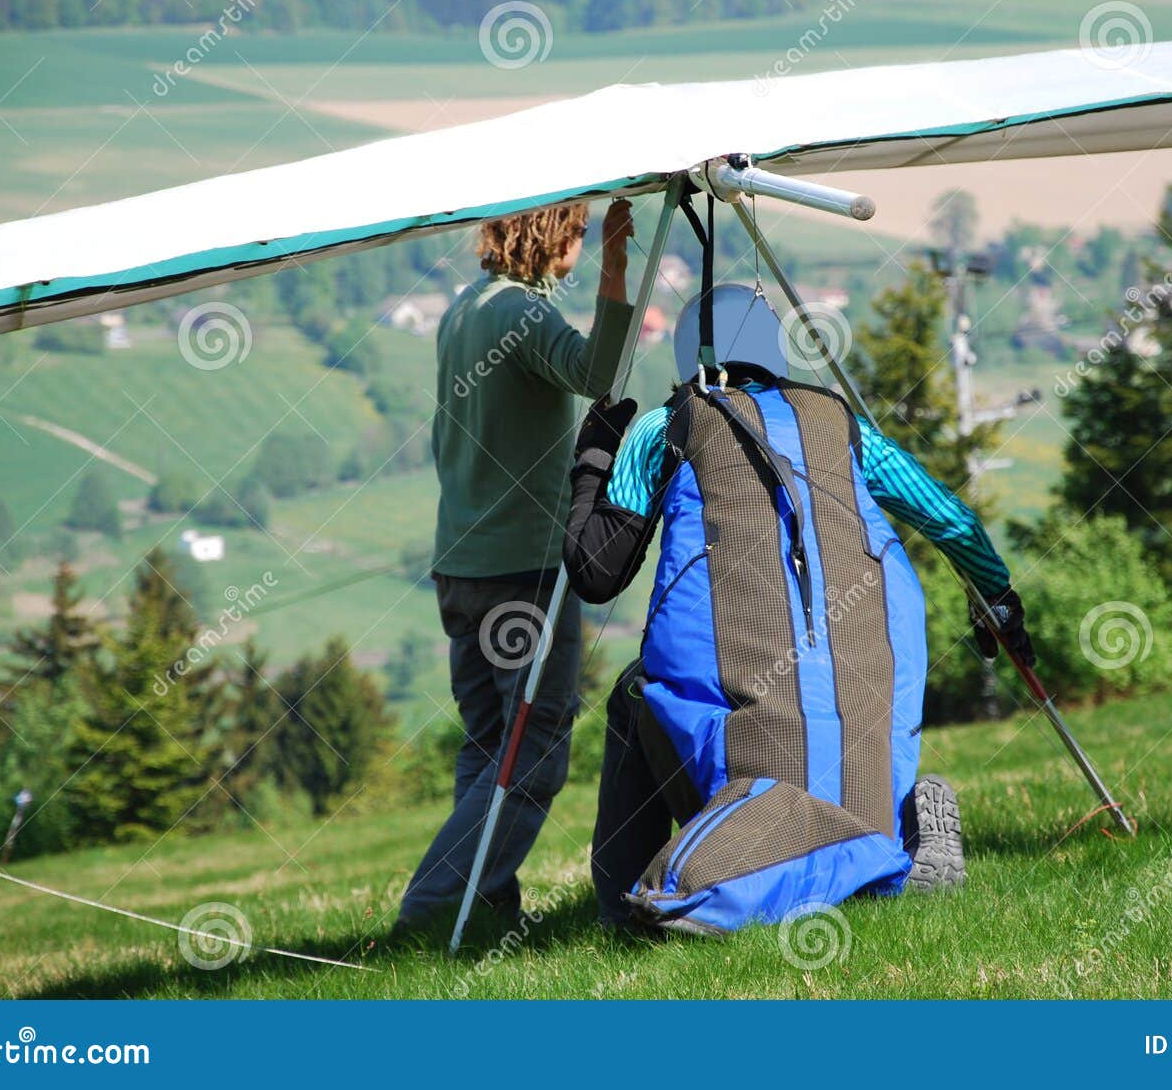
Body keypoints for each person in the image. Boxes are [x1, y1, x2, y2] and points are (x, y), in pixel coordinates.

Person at [562, 284, 1035, 934]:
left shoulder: (666, 424)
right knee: (831, 739)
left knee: (632, 694)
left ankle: (624, 906)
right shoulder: (840, 423)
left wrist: (591, 457)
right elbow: (950, 520)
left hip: (746, 724)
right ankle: (891, 834)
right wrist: (998, 602)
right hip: (864, 691)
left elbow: (595, 569)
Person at [395, 198, 634, 933]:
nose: (583, 246)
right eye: (580, 234)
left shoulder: (465, 308)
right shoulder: (521, 317)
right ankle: (434, 904)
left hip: (461, 564)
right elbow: (599, 373)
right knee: (533, 755)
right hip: (517, 577)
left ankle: (481, 906)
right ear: (554, 234)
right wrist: (620, 267)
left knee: (487, 745)